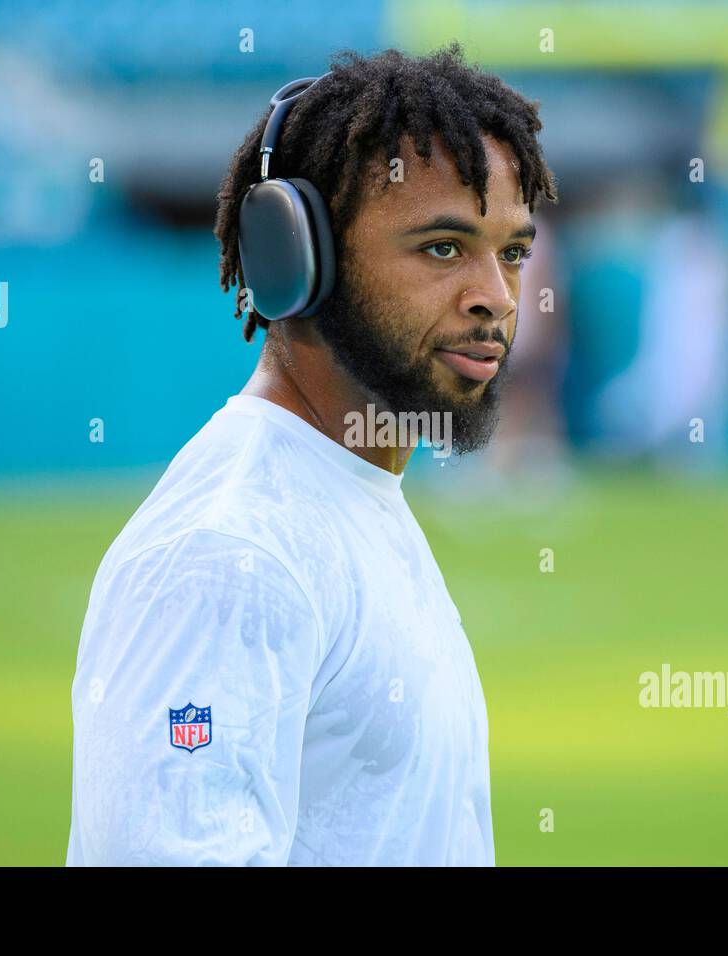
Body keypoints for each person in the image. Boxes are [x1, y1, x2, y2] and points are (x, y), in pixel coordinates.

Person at [66, 42, 559, 865]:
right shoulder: (234, 554)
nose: (497, 299)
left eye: (510, 251)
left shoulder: (352, 488)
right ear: (295, 261)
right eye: (443, 247)